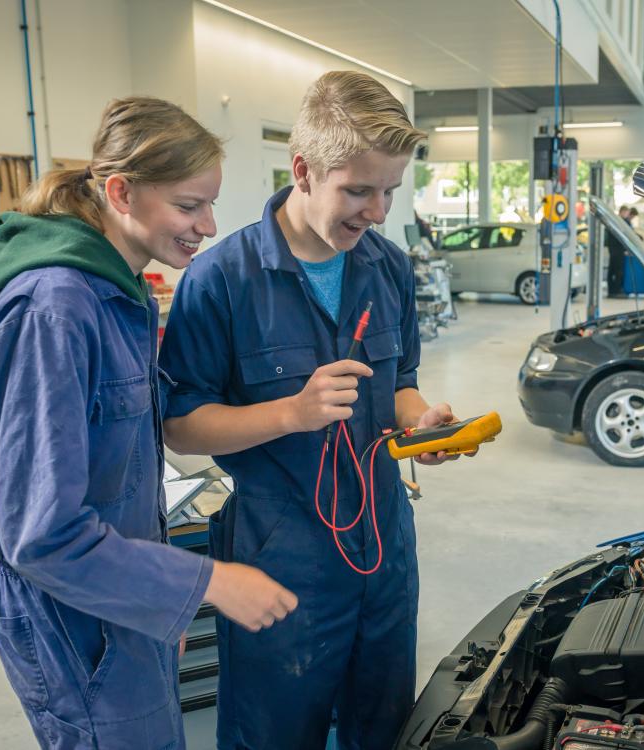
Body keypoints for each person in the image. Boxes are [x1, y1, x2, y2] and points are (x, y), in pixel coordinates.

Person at [0, 97, 297, 749]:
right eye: (189, 204)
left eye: (210, 204)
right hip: (72, 623)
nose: (208, 224)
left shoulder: (120, 296)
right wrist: (207, 582)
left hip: (118, 603)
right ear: (121, 192)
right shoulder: (54, 313)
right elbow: (43, 535)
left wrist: (152, 613)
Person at [160, 71, 468, 749]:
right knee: (274, 733)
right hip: (282, 555)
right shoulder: (221, 282)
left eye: (388, 191)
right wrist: (289, 414)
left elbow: (400, 384)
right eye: (358, 190)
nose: (378, 211)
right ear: (302, 170)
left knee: (383, 726)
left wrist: (419, 425)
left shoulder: (387, 268)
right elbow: (179, 426)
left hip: (384, 545)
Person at [605, 204, 633, 298]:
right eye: (626, 213)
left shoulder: (614, 220)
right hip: (618, 249)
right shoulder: (621, 222)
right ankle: (616, 291)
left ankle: (611, 291)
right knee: (618, 271)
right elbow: (625, 236)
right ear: (622, 212)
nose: (627, 215)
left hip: (613, 249)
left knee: (612, 270)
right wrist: (625, 249)